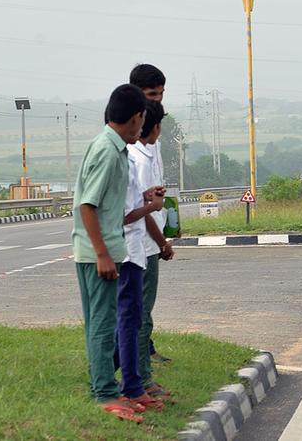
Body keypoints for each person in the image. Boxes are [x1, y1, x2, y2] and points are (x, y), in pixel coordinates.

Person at [71, 84, 147, 422]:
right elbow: (87, 205)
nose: (143, 127)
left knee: (99, 324)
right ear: (135, 118)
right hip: (96, 254)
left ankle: (104, 387)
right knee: (103, 326)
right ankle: (104, 393)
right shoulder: (106, 150)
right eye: (143, 119)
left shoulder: (115, 149)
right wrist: (102, 254)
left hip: (102, 248)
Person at [117, 99, 171, 413]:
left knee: (136, 317)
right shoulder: (135, 157)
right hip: (140, 248)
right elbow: (131, 213)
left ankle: (135, 378)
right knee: (136, 319)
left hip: (145, 245)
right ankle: (138, 381)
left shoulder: (144, 153)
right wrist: (161, 241)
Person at [128, 64, 172, 367]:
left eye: (160, 94)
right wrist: (162, 241)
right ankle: (140, 370)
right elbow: (139, 207)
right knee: (139, 308)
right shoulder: (134, 152)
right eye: (151, 95)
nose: (156, 100)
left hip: (151, 235)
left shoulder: (150, 144)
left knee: (141, 306)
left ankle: (144, 353)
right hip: (142, 240)